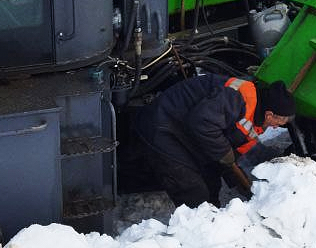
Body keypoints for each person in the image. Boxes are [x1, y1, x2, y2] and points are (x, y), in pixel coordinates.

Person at [126, 75, 297, 208]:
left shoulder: (257, 122)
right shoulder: (239, 97)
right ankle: (197, 240)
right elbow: (202, 121)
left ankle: (213, 230)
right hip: (164, 125)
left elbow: (231, 159)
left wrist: (242, 185)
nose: (276, 128)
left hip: (188, 137)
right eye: (278, 123)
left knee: (211, 185)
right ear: (269, 114)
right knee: (195, 193)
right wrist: (225, 155)